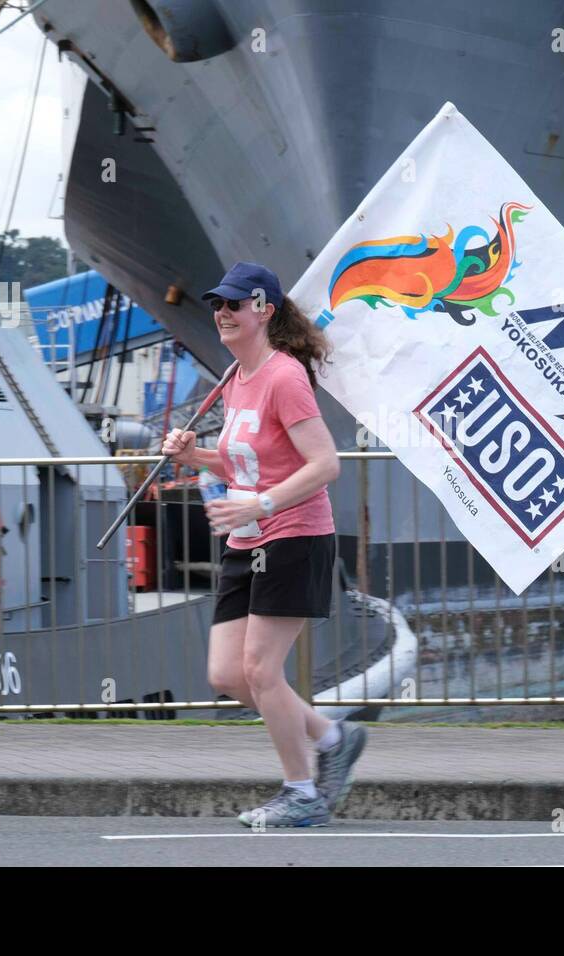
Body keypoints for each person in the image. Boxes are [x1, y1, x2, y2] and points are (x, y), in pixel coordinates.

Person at [162, 261, 367, 824]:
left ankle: (301, 793)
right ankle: (331, 739)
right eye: (217, 304)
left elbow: (326, 464)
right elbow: (244, 460)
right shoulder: (236, 379)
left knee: (259, 670)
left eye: (234, 303)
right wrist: (193, 456)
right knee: (227, 674)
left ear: (265, 311)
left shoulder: (283, 376)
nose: (222, 312)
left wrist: (263, 503)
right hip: (247, 538)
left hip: (293, 536)